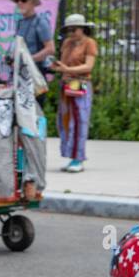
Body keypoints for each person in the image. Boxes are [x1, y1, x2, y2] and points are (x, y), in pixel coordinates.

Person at [50, 13, 98, 173]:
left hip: (80, 85)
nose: (71, 33)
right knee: (64, 122)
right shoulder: (67, 43)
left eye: (74, 29)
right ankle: (70, 155)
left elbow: (88, 66)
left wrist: (68, 69)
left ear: (82, 29)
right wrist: (58, 67)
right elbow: (64, 63)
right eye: (68, 30)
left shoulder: (89, 43)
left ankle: (78, 158)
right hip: (66, 85)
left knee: (79, 121)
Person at [10, 0, 55, 74]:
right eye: (17, 1)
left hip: (36, 72)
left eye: (24, 0)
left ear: (33, 3)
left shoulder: (40, 22)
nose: (19, 3)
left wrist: (28, 60)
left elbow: (50, 49)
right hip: (21, 72)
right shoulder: (20, 22)